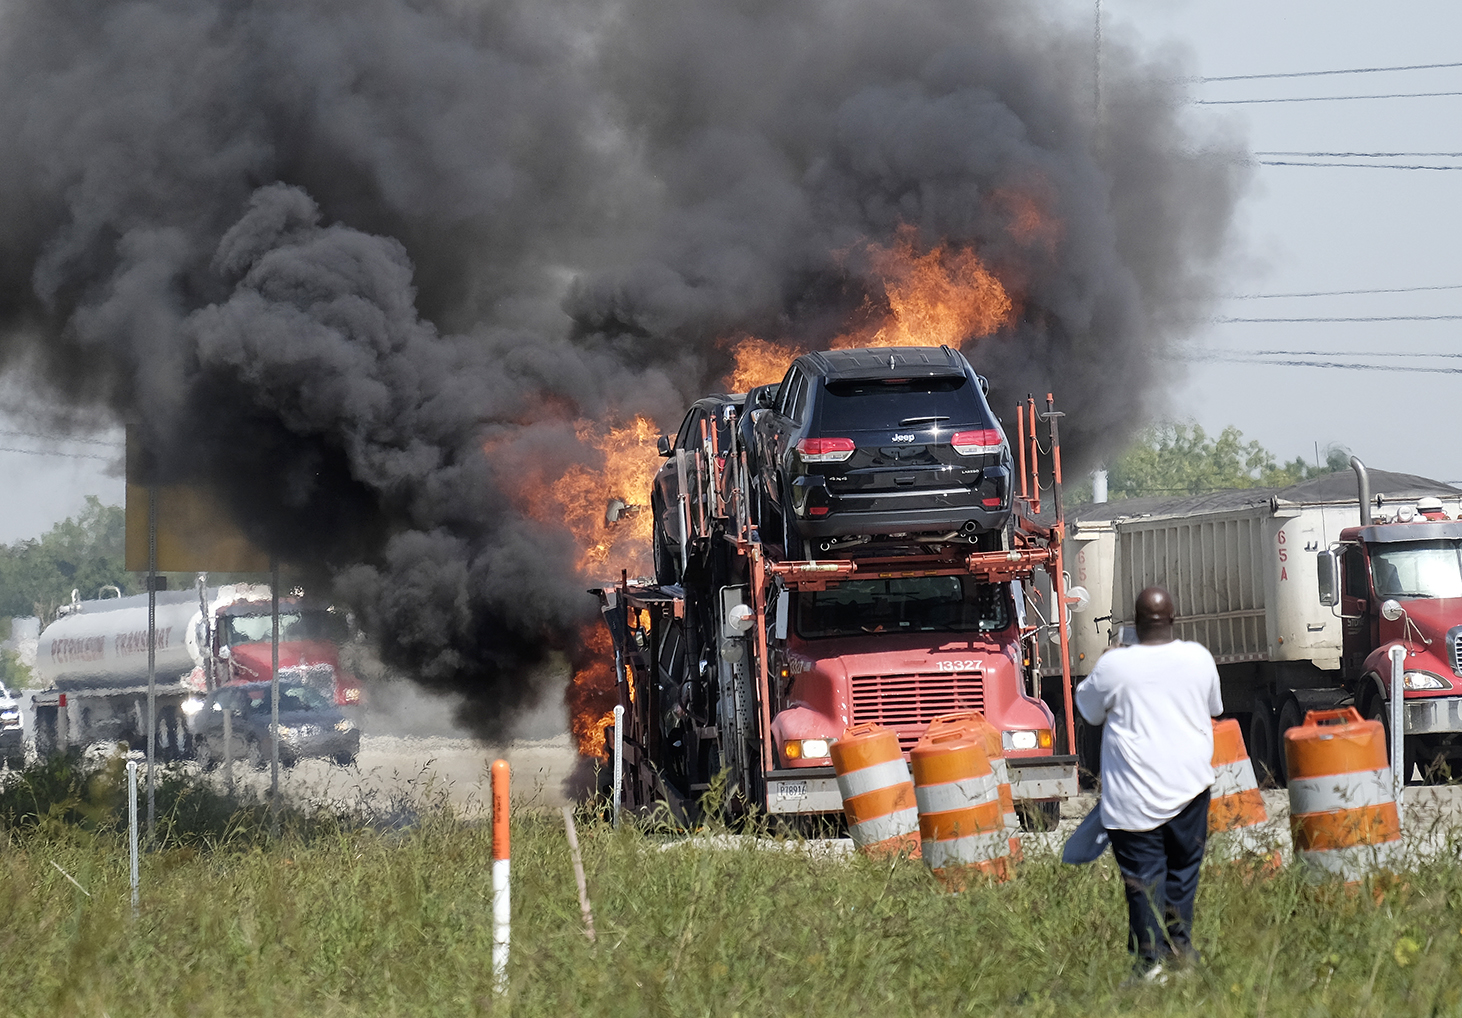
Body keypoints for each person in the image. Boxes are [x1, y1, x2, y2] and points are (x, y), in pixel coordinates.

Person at [1075, 586, 1222, 982]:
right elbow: (1214, 708)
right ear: (1173, 619)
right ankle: (1179, 949)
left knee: (1143, 880)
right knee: (1181, 874)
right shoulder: (1199, 658)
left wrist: (1108, 660)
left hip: (1133, 798)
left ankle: (1149, 964)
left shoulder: (1115, 666)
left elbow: (1087, 711)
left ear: (1135, 624)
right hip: (1190, 790)